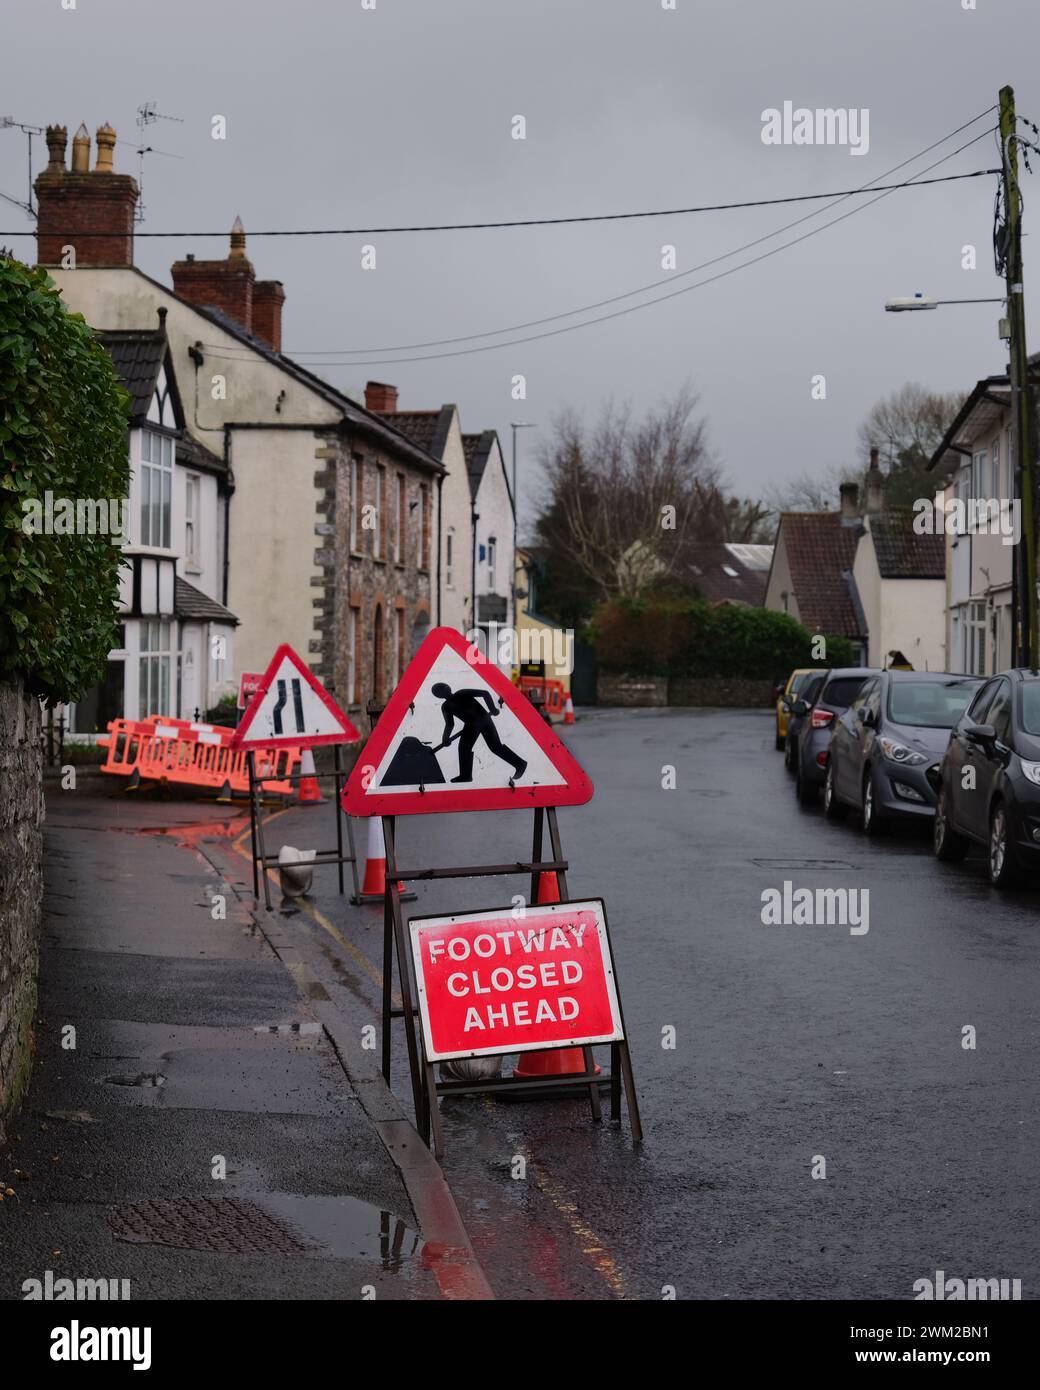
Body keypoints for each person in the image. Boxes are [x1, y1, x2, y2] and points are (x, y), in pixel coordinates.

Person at [429, 682, 527, 782]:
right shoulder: (447, 706)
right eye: (439, 692)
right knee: (494, 747)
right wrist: (445, 738)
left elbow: (485, 693)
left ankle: (466, 776)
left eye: (441, 690)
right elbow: (450, 724)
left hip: (476, 722)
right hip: (481, 720)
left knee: (466, 748)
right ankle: (519, 763)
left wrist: (492, 709)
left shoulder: (459, 695)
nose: (443, 693)